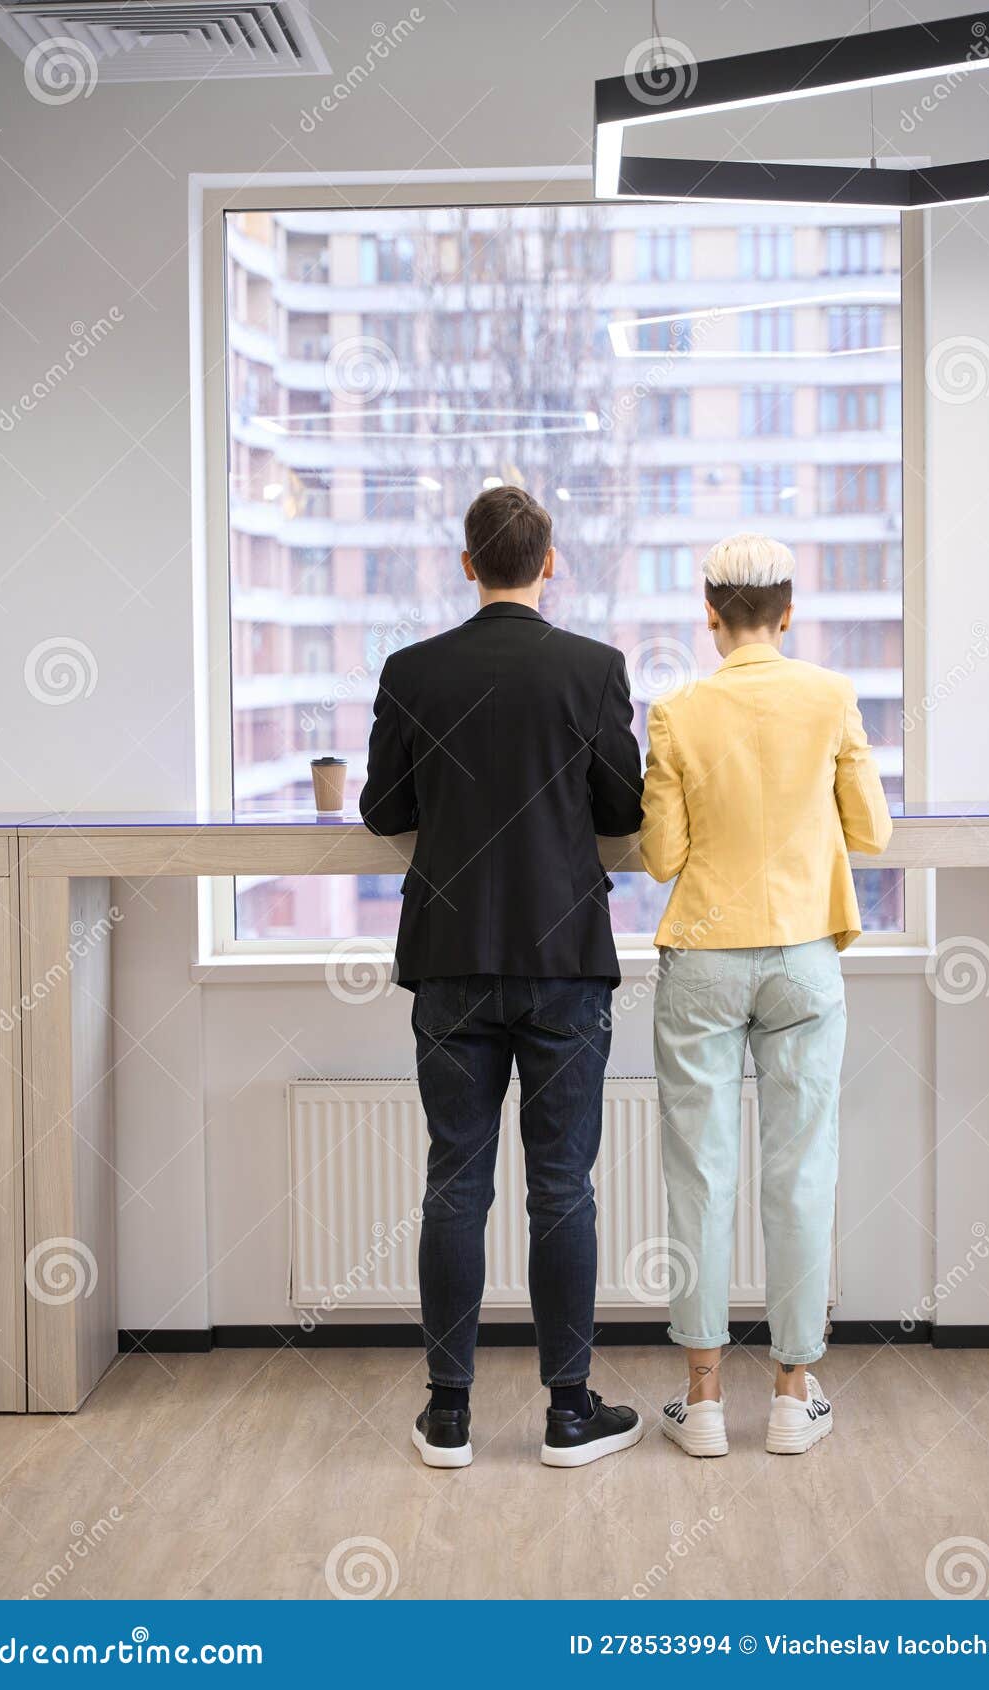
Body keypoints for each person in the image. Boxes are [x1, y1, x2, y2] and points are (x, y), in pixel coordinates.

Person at [360, 484, 645, 1470]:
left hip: (449, 957)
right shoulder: (593, 669)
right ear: (549, 560)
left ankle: (448, 1415)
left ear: (467, 562)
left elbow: (381, 808)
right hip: (564, 958)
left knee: (455, 1182)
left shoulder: (411, 671)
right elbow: (621, 810)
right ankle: (569, 1413)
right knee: (562, 1185)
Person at [640, 533, 892, 1458]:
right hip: (801, 958)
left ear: (709, 616)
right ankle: (793, 1393)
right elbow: (870, 828)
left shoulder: (676, 712)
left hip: (703, 956)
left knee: (699, 1174)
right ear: (789, 613)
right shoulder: (830, 696)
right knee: (800, 1168)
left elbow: (662, 857)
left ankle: (702, 1401)